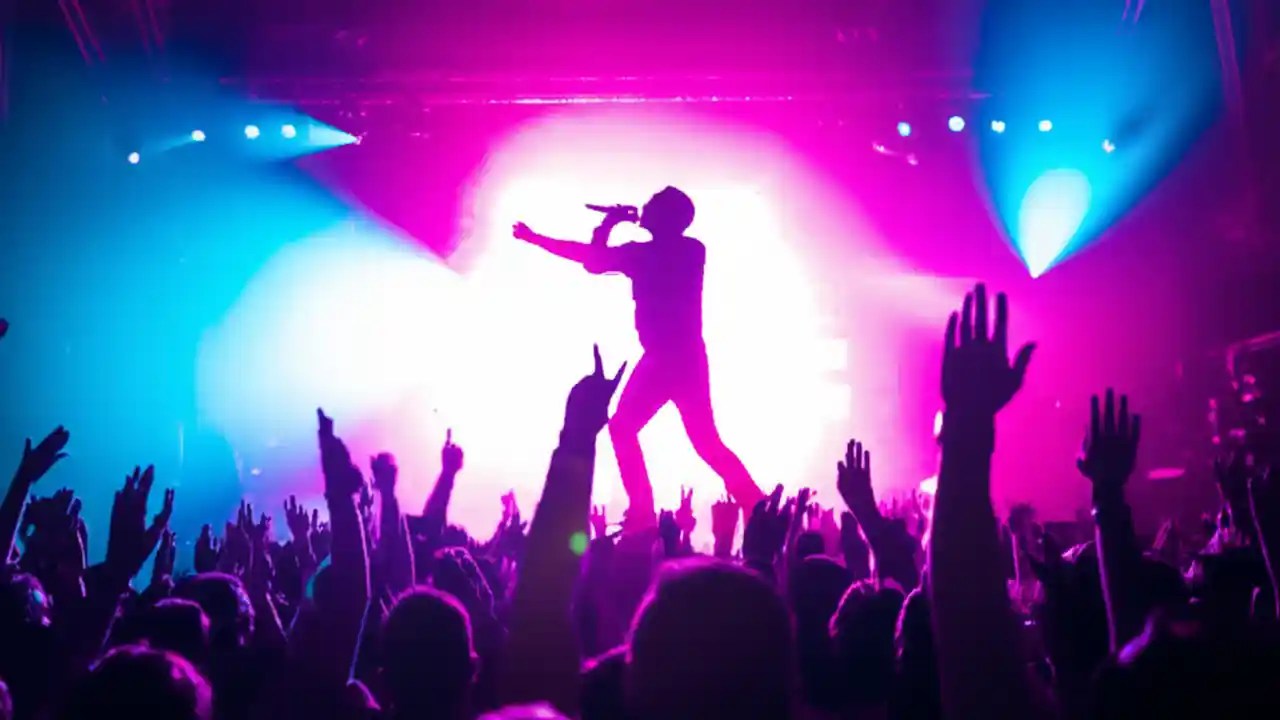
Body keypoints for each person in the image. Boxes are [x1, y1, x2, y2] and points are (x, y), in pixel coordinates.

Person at [513, 187, 765, 525]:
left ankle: (644, 510)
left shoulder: (655, 253)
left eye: (651, 206)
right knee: (700, 441)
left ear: (666, 216)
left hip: (668, 358)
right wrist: (612, 225)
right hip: (683, 357)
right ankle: (756, 505)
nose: (642, 208)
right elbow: (594, 261)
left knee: (626, 428)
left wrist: (605, 225)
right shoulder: (687, 250)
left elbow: (591, 260)